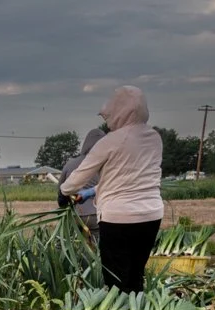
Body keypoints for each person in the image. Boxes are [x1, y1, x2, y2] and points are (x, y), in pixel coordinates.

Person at [61, 87, 164, 292]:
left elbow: (80, 176)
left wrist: (65, 189)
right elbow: (127, 178)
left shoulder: (111, 141)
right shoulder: (154, 137)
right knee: (136, 272)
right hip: (151, 214)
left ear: (120, 111)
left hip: (118, 218)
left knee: (115, 277)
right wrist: (92, 192)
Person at [58, 127, 106, 244]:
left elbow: (61, 192)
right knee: (94, 247)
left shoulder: (70, 163)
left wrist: (63, 204)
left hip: (73, 214)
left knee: (66, 244)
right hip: (96, 215)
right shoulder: (104, 164)